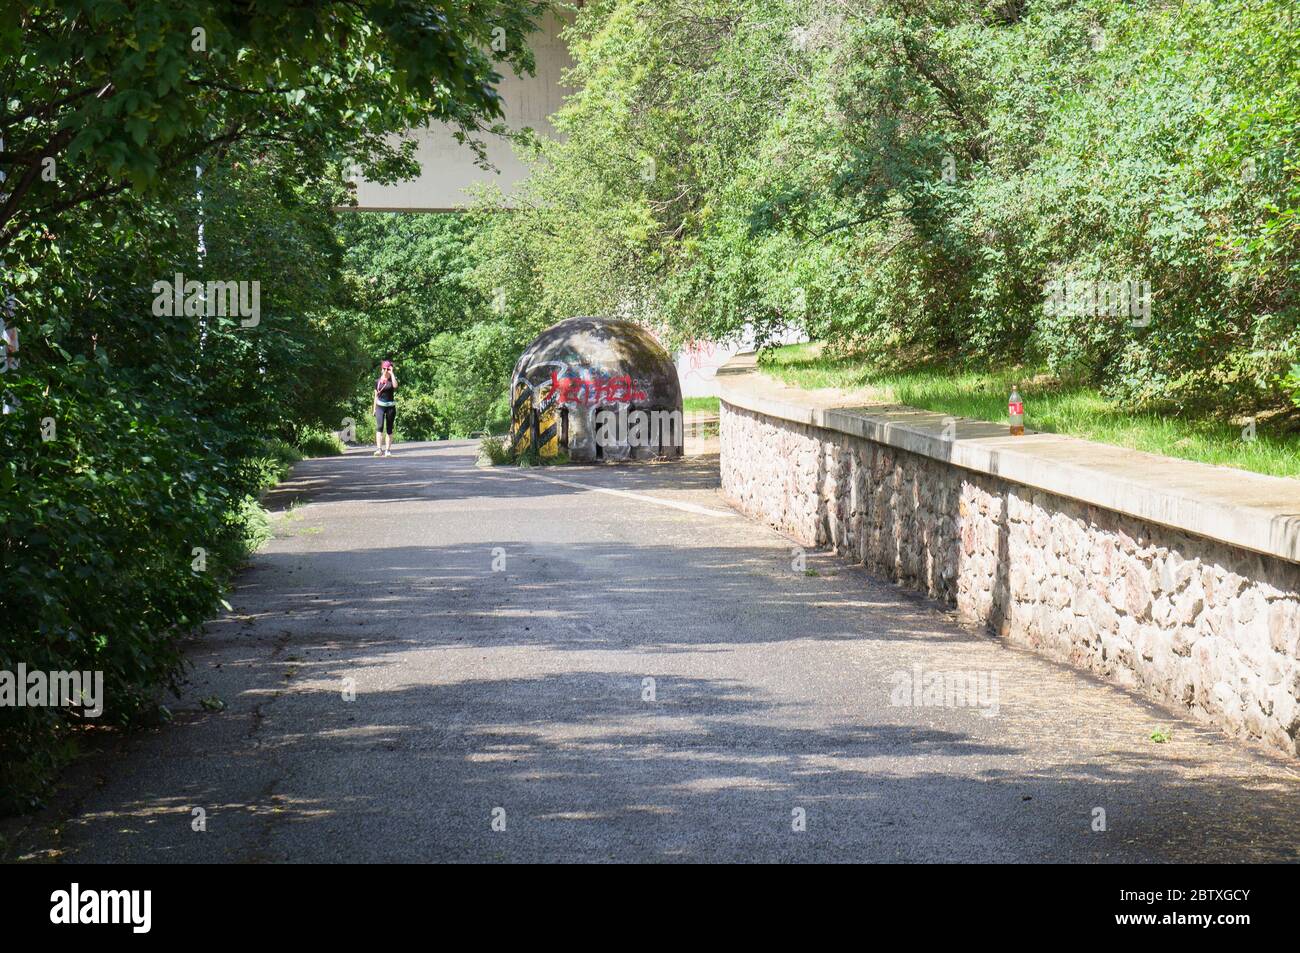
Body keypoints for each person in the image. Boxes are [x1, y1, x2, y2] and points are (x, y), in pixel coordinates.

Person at [373, 360, 398, 456]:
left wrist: (392, 373)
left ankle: (388, 450)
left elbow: (395, 386)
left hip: (390, 407)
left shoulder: (392, 380)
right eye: (384, 369)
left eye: (387, 369)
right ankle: (379, 449)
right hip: (380, 407)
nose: (385, 371)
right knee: (379, 427)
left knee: (389, 429)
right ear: (381, 369)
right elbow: (375, 396)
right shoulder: (377, 381)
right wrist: (374, 409)